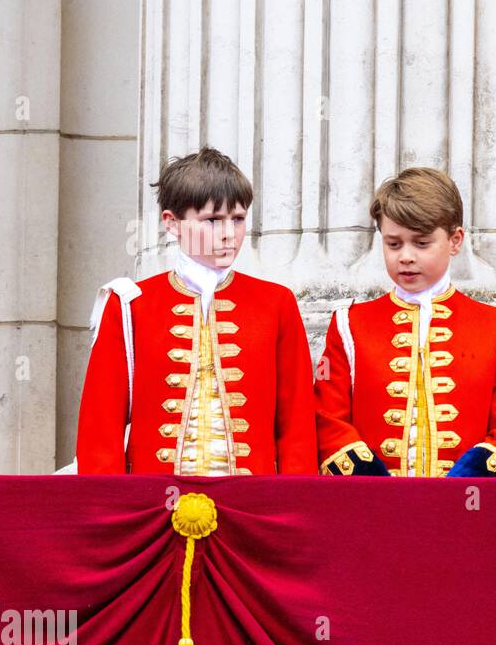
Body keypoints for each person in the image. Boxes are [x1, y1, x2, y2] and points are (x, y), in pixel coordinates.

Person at [76, 147, 317, 474]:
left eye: (238, 219)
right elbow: (100, 426)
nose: (229, 234)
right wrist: (112, 511)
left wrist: (290, 509)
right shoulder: (129, 304)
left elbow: (297, 422)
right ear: (172, 223)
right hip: (154, 503)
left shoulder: (276, 302)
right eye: (212, 220)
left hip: (252, 505)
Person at [313, 167, 496, 477]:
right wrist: (370, 483)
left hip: (466, 508)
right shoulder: (349, 325)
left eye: (422, 243)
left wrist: (467, 480)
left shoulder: (495, 326)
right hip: (373, 507)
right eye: (394, 244)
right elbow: (327, 417)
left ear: (455, 240)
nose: (406, 257)